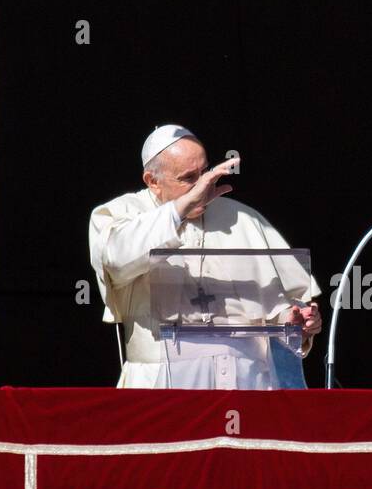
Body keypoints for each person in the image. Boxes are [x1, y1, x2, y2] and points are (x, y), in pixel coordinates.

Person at [88, 124, 321, 389]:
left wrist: (295, 325)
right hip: (162, 383)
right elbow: (115, 259)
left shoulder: (244, 218)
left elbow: (283, 315)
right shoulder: (120, 214)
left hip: (246, 381)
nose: (203, 187)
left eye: (205, 172)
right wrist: (179, 211)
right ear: (152, 181)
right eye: (189, 178)